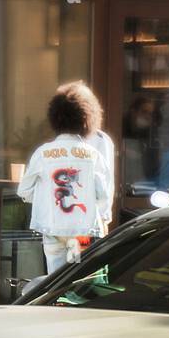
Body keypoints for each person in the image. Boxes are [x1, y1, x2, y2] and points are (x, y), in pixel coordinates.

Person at [18, 86, 114, 274]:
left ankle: (56, 304)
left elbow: (24, 191)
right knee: (77, 280)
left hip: (52, 228)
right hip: (82, 230)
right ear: (87, 119)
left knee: (55, 280)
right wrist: (103, 218)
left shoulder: (42, 153)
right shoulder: (92, 155)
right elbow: (103, 194)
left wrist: (43, 196)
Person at [55, 81, 115, 231]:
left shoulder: (99, 140)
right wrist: (104, 217)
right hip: (81, 218)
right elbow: (104, 184)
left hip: (68, 218)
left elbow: (104, 183)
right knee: (84, 254)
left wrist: (103, 216)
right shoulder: (100, 140)